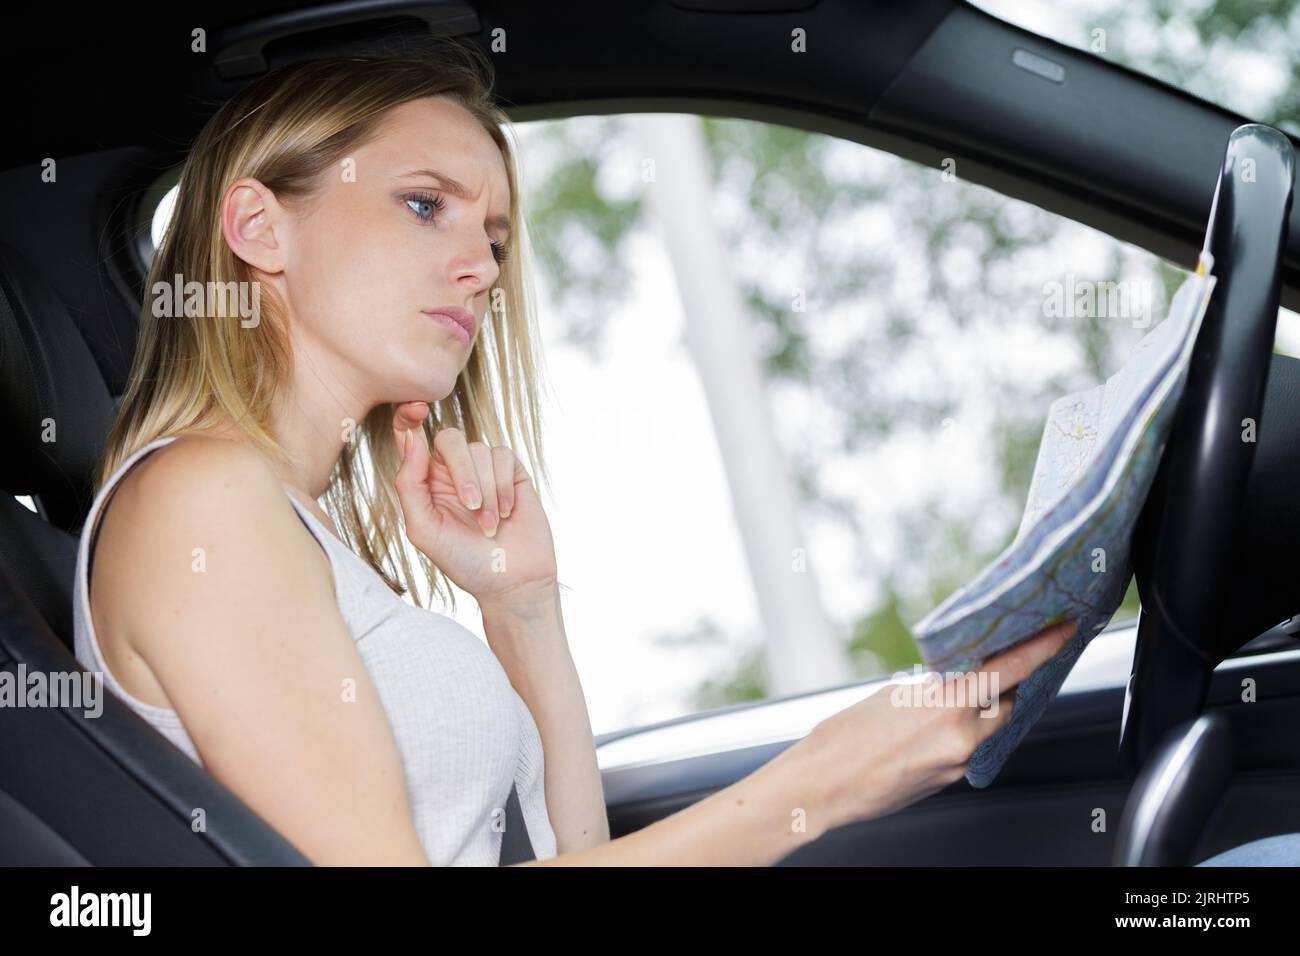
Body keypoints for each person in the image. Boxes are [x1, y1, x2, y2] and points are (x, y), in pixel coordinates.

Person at [73, 38, 1077, 866]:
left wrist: (522, 608)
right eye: (424, 204)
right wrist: (825, 780)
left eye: (495, 239)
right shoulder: (201, 503)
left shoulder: (285, 523)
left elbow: (566, 848)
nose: (480, 268)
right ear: (258, 227)